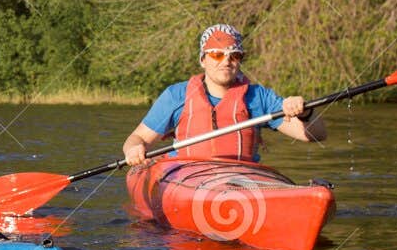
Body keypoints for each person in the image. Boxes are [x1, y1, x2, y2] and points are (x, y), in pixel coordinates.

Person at [121, 23, 327, 166]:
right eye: (217, 54)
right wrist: (134, 149)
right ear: (203, 60)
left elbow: (315, 135)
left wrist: (305, 113)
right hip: (188, 177)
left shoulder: (258, 97)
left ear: (240, 60)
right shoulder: (176, 96)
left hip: (242, 179)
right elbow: (137, 138)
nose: (226, 61)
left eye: (234, 55)